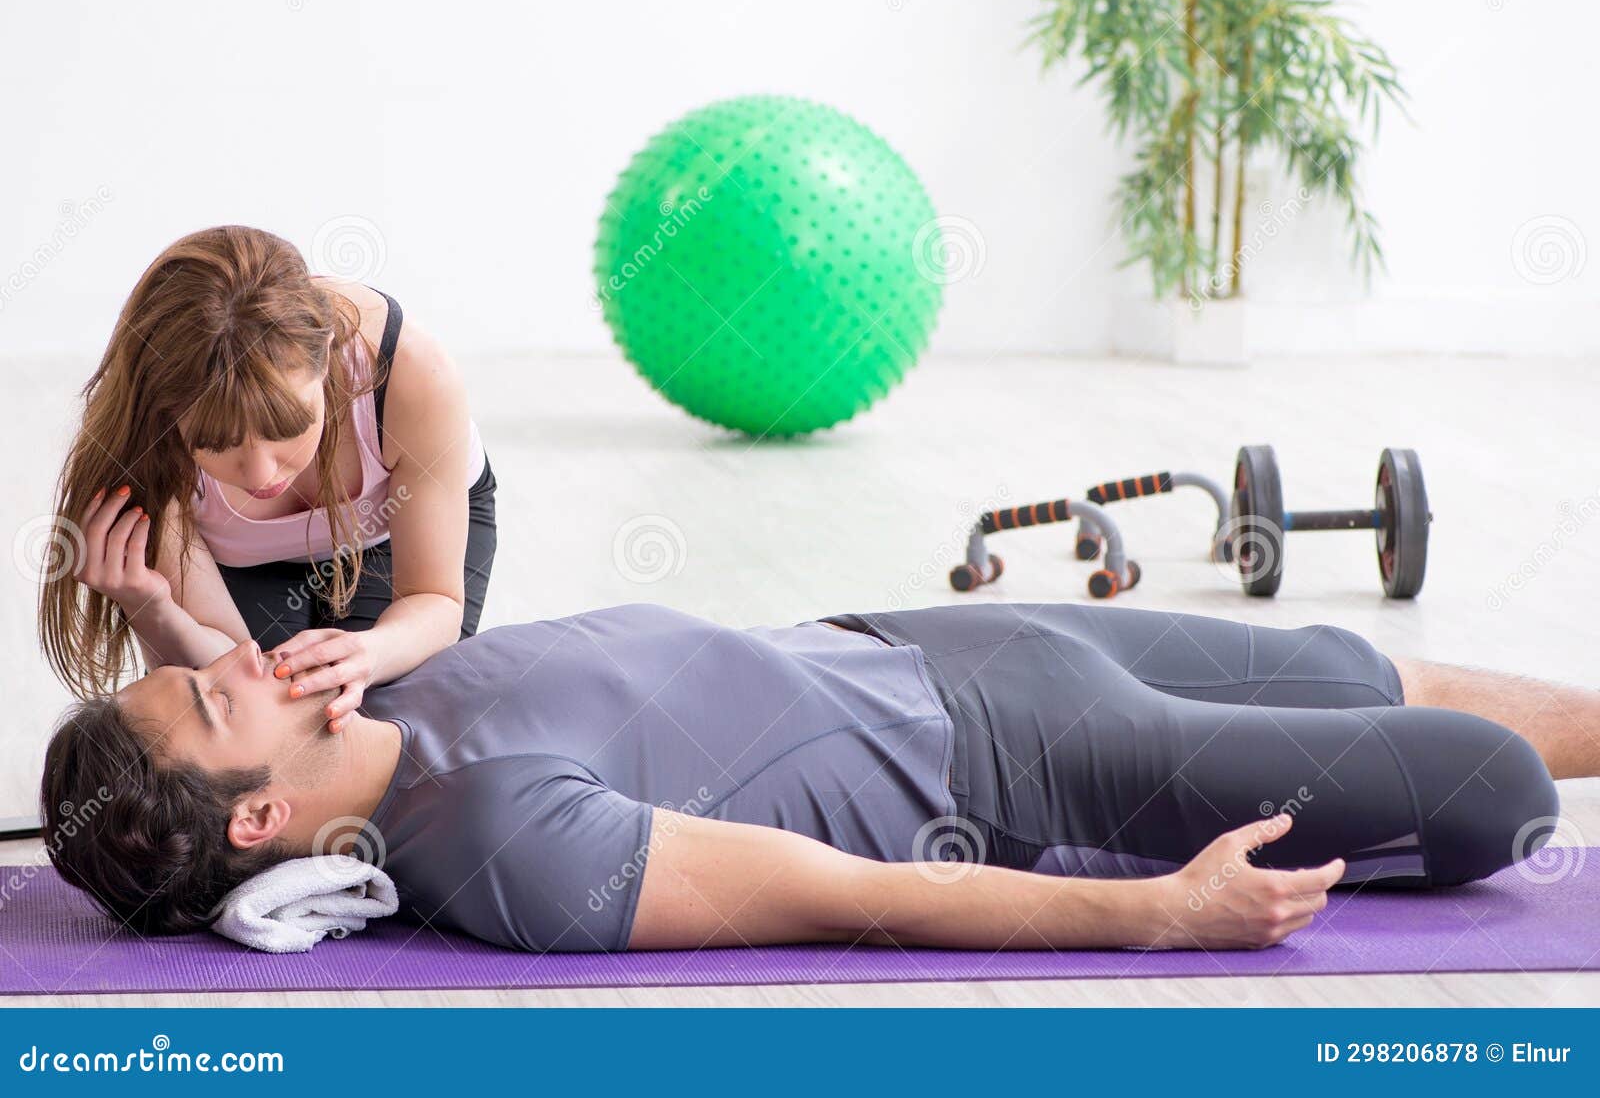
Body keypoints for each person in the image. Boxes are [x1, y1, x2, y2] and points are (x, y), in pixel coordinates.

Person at [42, 602, 1580, 954]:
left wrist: (187, 661)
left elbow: (211, 742)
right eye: (205, 687)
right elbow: (859, 895)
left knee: (1354, 668)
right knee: (1492, 786)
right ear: (257, 816)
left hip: (925, 632)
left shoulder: (366, 688)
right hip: (1030, 767)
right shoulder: (497, 838)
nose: (237, 653)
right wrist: (1155, 918)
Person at [38, 225, 497, 730]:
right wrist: (153, 608)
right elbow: (234, 675)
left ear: (327, 358)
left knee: (376, 725)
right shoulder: (149, 441)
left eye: (289, 427)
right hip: (243, 563)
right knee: (266, 730)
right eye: (216, 444)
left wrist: (370, 652)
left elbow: (434, 601)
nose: (261, 476)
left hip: (391, 537)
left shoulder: (412, 372)